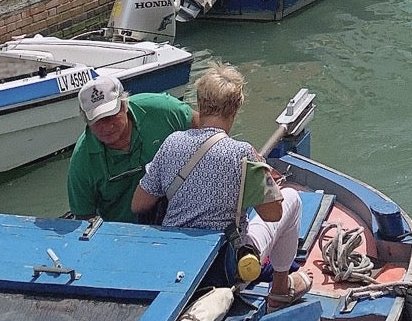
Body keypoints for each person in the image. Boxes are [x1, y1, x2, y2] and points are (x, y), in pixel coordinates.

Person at [132, 62, 311, 304]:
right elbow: (272, 213)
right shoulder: (242, 153)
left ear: (199, 104)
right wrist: (264, 178)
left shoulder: (171, 142)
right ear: (235, 109)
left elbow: (139, 204)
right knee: (292, 200)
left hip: (174, 261)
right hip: (223, 268)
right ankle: (281, 287)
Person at [66, 73, 192, 223]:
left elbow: (208, 132)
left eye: (111, 115)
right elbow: (83, 218)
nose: (106, 127)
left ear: (124, 105)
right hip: (123, 232)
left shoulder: (164, 110)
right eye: (97, 120)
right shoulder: (81, 162)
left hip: (182, 216)